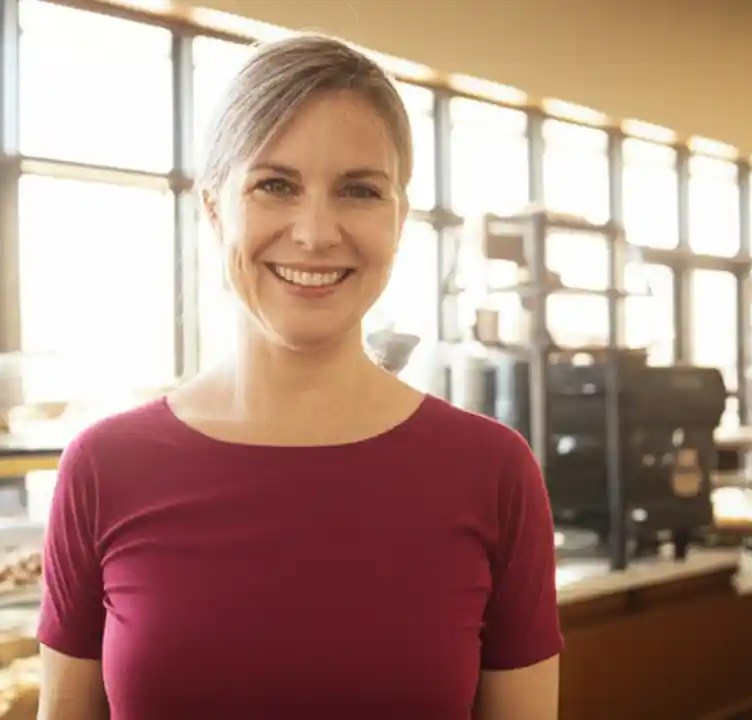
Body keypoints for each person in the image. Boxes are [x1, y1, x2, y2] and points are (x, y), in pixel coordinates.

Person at [37, 33, 562, 720]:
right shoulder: (104, 467)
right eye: (275, 185)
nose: (315, 233)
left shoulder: (493, 471)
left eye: (359, 191)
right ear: (214, 207)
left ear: (398, 221)